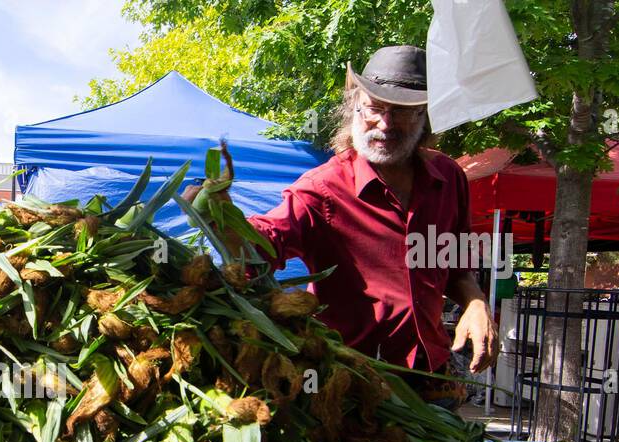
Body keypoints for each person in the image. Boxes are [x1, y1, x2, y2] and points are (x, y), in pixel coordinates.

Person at [189, 46, 499, 409]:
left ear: (424, 117)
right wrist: (224, 219)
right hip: (347, 385)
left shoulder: (449, 179)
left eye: (402, 113)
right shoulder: (322, 189)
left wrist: (476, 304)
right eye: (375, 108)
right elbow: (261, 249)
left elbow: (457, 268)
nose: (385, 124)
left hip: (432, 382)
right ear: (354, 104)